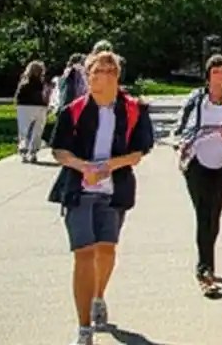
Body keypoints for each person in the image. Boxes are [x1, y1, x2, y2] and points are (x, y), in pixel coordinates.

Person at [47, 50, 155, 345]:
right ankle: (84, 328)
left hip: (114, 191)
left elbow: (138, 152)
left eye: (109, 71)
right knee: (83, 253)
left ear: (117, 78)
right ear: (87, 75)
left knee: (106, 251)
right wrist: (84, 168)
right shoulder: (73, 110)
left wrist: (108, 167)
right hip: (79, 191)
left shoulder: (133, 110)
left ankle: (99, 296)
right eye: (96, 71)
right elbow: (58, 150)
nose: (101, 76)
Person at [173, 54, 222, 297]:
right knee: (204, 213)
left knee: (214, 214)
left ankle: (207, 259)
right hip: (197, 163)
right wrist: (182, 145)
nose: (220, 77)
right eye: (215, 72)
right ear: (207, 75)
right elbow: (180, 127)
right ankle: (205, 270)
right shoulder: (196, 99)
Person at [14, 60, 48, 164]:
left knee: (24, 130)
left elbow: (18, 96)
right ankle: (33, 152)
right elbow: (45, 96)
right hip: (39, 107)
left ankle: (23, 151)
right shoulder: (42, 84)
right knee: (37, 130)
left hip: (24, 106)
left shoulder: (24, 83)